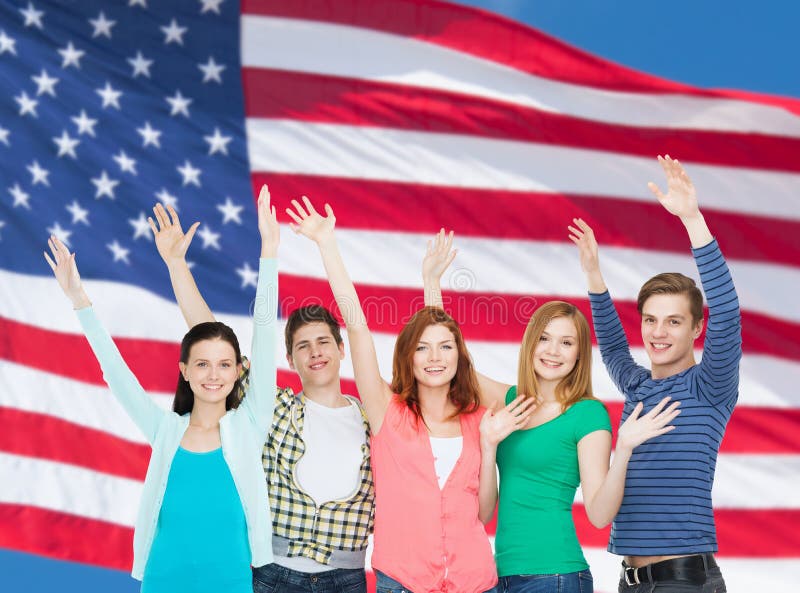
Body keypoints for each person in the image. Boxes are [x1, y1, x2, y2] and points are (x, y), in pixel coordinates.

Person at [285, 197, 536, 593]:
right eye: (422, 349)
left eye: (446, 349)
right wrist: (326, 244)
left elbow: (484, 513)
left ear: (460, 356)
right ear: (408, 357)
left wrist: (489, 448)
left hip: (477, 583)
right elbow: (358, 330)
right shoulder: (389, 413)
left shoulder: (478, 421)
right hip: (402, 583)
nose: (434, 358)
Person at [43, 189, 279, 593]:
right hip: (163, 580)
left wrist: (269, 251)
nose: (214, 375)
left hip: (231, 582)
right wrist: (79, 300)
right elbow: (117, 375)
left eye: (225, 365)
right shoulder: (166, 430)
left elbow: (265, 332)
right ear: (185, 371)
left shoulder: (251, 423)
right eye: (202, 364)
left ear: (238, 371)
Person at [422, 232, 680, 593]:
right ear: (530, 344)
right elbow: (451, 366)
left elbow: (599, 514)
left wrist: (623, 450)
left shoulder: (587, 414)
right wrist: (431, 284)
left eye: (566, 342)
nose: (553, 351)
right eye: (544, 338)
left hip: (556, 576)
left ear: (578, 355)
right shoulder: (511, 400)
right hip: (501, 575)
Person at [148, 189, 373, 593]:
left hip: (347, 577)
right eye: (302, 346)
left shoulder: (371, 415)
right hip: (275, 574)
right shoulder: (274, 408)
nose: (315, 352)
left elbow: (359, 327)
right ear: (290, 358)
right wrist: (177, 265)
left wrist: (327, 244)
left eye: (323, 342)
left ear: (341, 350)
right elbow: (212, 339)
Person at [569, 155, 742, 592]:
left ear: (697, 327)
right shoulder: (638, 386)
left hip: (682, 581)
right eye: (650, 320)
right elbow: (609, 343)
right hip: (631, 581)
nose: (658, 332)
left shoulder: (710, 385)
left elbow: (727, 311)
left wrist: (692, 219)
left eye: (674, 321)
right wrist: (593, 274)